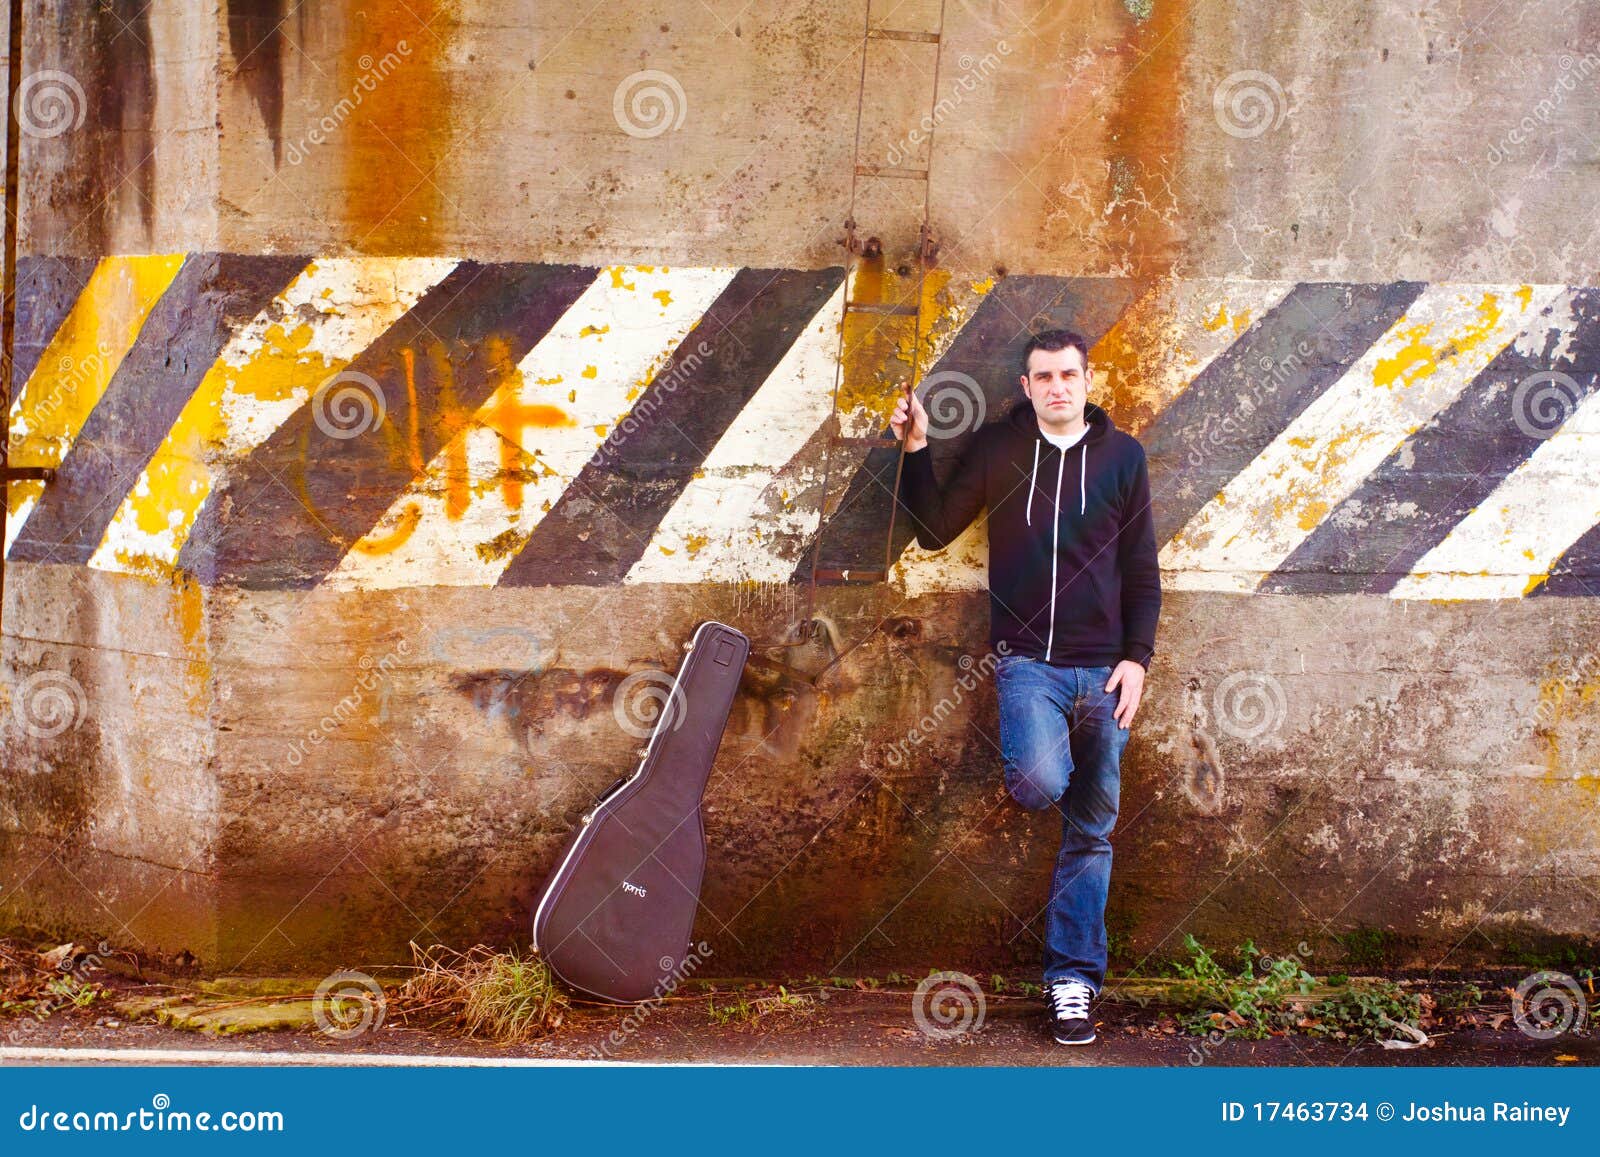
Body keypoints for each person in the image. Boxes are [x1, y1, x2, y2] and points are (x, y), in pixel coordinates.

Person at [891, 328, 1161, 1045]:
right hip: (1026, 666)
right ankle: (1061, 765)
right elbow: (933, 531)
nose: (1058, 387)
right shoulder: (998, 450)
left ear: (1088, 378)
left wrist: (1138, 657)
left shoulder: (1123, 458)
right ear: (1026, 385)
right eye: (1043, 376)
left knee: (1092, 833)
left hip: (1106, 672)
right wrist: (916, 448)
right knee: (1042, 782)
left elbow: (1140, 568)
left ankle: (1072, 980)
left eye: (1069, 374)